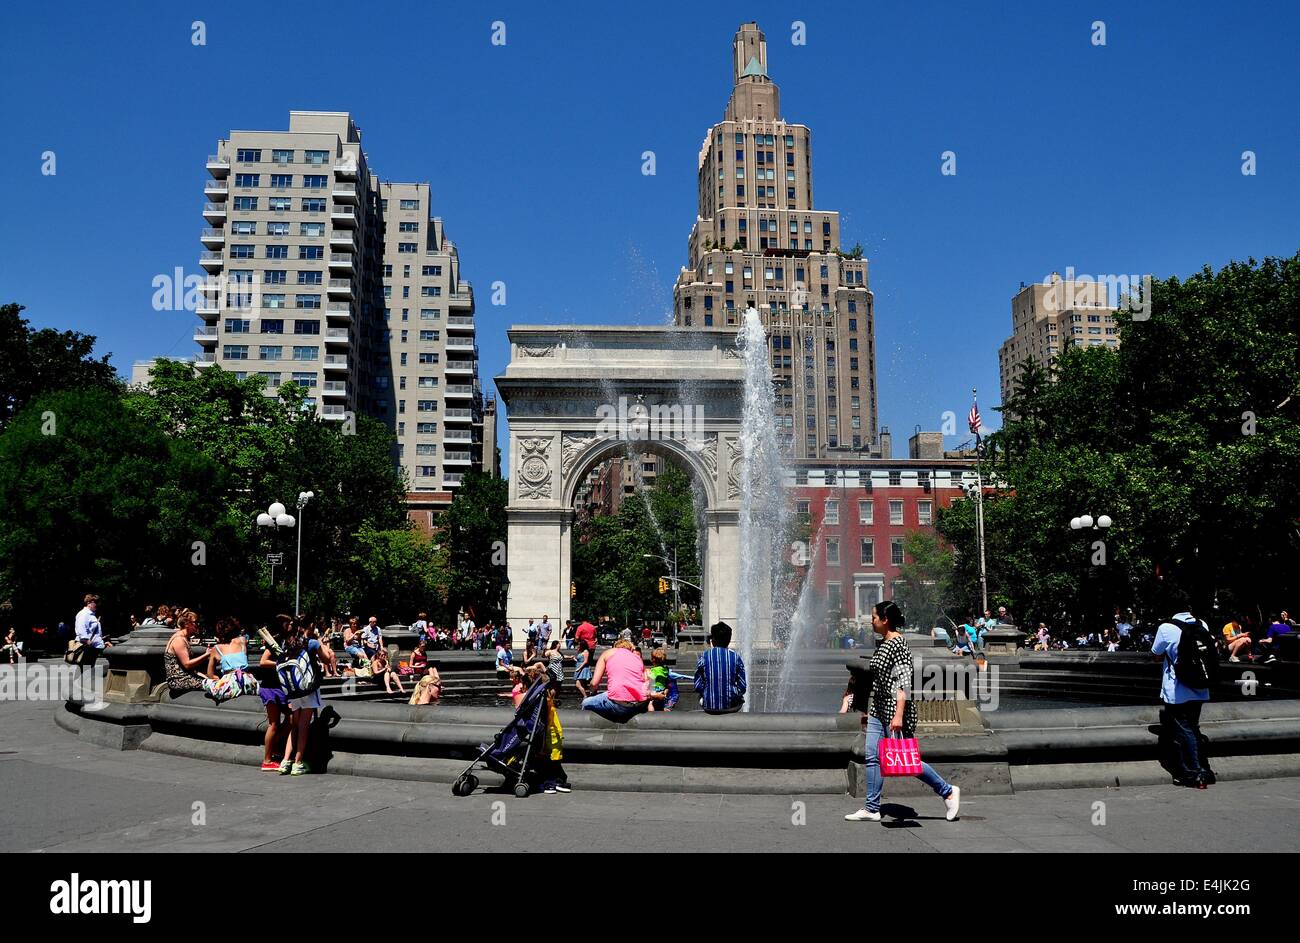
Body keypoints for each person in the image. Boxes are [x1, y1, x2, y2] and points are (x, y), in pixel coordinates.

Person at [845, 600, 962, 823]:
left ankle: (947, 791)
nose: (871, 621)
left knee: (908, 760)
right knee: (872, 756)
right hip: (879, 709)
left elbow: (904, 683)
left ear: (885, 620)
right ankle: (871, 808)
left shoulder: (898, 644)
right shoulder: (883, 643)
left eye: (874, 618)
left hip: (893, 710)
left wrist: (898, 715)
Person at [1151, 593, 1213, 788]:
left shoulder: (1166, 628)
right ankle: (1205, 769)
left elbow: (1156, 655)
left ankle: (1195, 774)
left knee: (1184, 730)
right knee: (1193, 728)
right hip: (1200, 686)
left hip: (1177, 689)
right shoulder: (1202, 624)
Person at [280, 622, 324, 776]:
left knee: (294, 726)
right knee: (304, 726)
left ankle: (285, 761)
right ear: (310, 627)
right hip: (308, 687)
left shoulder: (287, 642)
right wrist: (320, 641)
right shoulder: (311, 642)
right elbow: (325, 659)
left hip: (292, 688)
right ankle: (298, 763)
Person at [581, 635, 657, 722]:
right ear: (630, 649)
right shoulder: (637, 658)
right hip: (640, 703)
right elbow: (646, 681)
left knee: (586, 703)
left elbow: (594, 683)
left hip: (619, 704)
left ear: (615, 647)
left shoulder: (607, 653)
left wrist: (591, 690)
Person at [257, 616, 292, 771]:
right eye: (288, 623)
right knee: (274, 723)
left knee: (291, 718)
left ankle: (275, 747)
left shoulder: (285, 640)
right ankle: (267, 760)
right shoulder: (274, 641)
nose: (290, 625)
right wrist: (282, 663)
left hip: (279, 687)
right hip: (271, 688)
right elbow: (263, 662)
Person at [693, 621, 747, 714]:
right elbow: (742, 687)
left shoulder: (704, 656)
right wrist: (735, 694)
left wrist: (706, 692)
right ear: (729, 640)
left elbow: (697, 684)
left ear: (713, 640)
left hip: (709, 707)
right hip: (731, 707)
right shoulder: (736, 657)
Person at [164, 610, 214, 698]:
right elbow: (187, 664)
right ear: (187, 624)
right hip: (179, 681)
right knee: (214, 686)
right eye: (195, 622)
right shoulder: (179, 640)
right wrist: (206, 654)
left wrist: (206, 677)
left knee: (213, 680)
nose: (197, 625)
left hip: (185, 677)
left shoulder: (183, 638)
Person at [74, 593, 111, 666]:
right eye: (95, 602)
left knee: (88, 670)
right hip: (87, 648)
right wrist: (87, 641)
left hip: (92, 647)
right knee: (86, 670)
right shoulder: (84, 614)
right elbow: (81, 629)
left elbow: (92, 631)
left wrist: (101, 640)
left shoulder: (91, 614)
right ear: (88, 603)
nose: (97, 604)